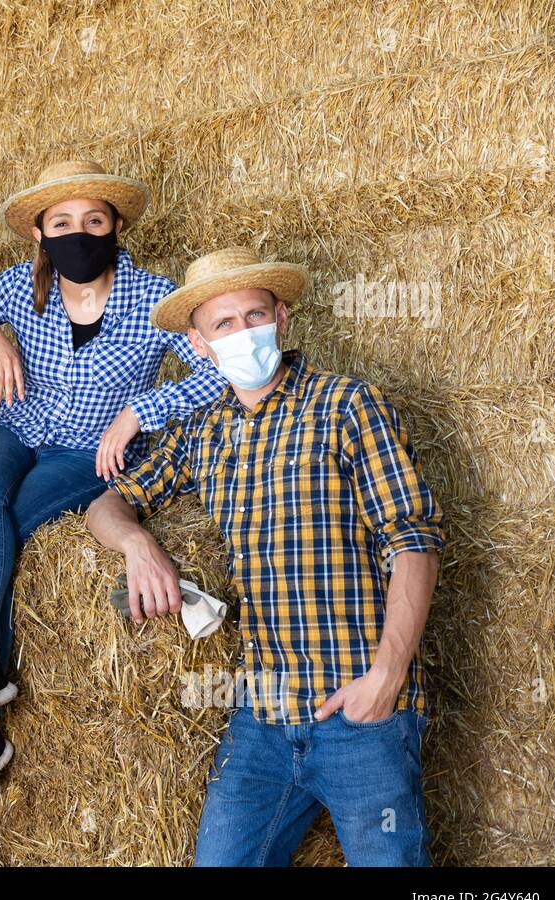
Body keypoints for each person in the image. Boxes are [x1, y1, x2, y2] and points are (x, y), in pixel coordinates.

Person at [86, 246, 444, 866]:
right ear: (198, 344)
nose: (244, 333)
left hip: (360, 713)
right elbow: (107, 505)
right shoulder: (203, 431)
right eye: (223, 324)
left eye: (255, 315)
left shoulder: (347, 406)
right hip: (261, 721)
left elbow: (414, 537)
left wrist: (386, 677)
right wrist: (139, 544)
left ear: (281, 318)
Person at [0, 160, 225, 808]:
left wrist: (145, 407)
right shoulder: (17, 288)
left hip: (90, 453)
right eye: (61, 223)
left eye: (94, 220)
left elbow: (221, 369)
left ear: (117, 225)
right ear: (39, 233)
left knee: (10, 521)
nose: (79, 233)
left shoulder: (155, 296)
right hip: (16, 426)